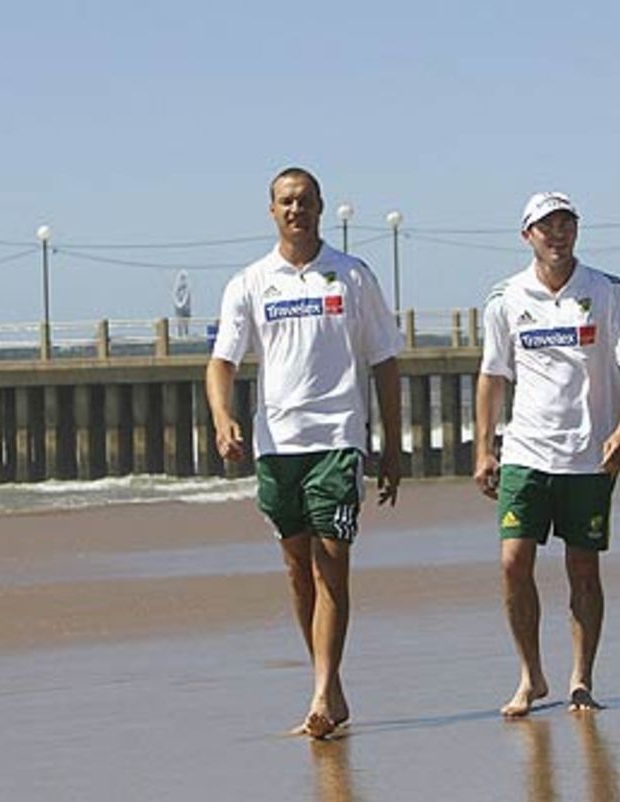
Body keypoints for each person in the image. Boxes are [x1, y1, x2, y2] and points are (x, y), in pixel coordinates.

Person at [205, 167, 403, 738]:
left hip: (338, 439)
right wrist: (224, 418)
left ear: (321, 208)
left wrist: (390, 444)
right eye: (286, 202)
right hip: (278, 446)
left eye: (306, 202)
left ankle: (320, 694)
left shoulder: (352, 276)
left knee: (332, 562)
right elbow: (221, 362)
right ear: (272, 211)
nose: (297, 210)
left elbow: (385, 362)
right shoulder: (250, 282)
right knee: (297, 569)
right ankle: (329, 682)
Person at [474, 192, 620, 717]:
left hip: (587, 456)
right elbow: (492, 375)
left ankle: (581, 679)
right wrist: (484, 449)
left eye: (566, 224)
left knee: (583, 569)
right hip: (526, 451)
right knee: (513, 562)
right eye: (546, 226)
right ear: (526, 235)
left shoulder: (606, 292)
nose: (557, 234)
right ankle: (531, 676)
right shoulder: (506, 297)